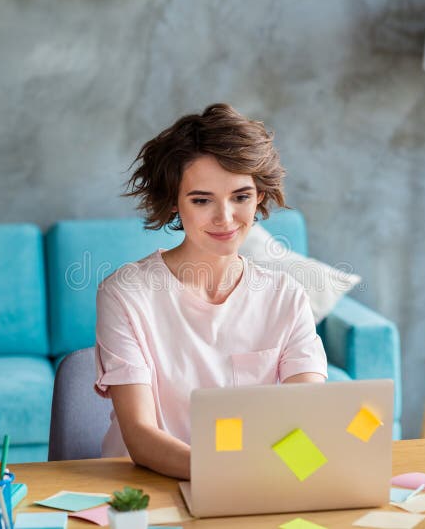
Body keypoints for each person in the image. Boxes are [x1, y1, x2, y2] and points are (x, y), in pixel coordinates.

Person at [94, 103, 327, 480]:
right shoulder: (125, 294)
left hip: (252, 485)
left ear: (260, 197)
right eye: (202, 200)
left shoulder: (285, 296)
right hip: (149, 489)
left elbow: (305, 418)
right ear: (173, 201)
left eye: (240, 196)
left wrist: (308, 482)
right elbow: (139, 435)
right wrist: (226, 476)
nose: (225, 218)